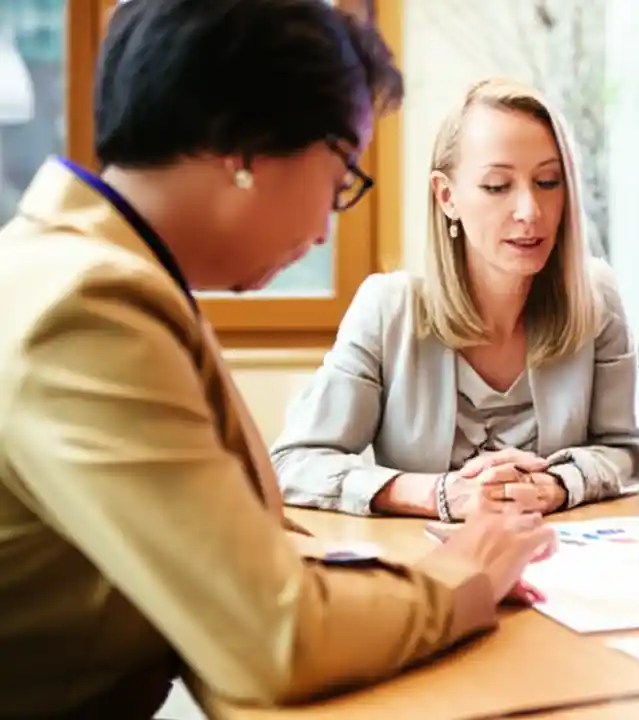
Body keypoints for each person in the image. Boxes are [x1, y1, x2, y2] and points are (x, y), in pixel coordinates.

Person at [0, 3, 555, 717]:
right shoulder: (89, 308)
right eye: (339, 176)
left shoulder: (80, 264)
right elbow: (272, 637)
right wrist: (462, 574)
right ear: (244, 144)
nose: (329, 228)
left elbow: (239, 542)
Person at [271, 78, 639, 521]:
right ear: (446, 196)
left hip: (559, 562)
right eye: (496, 186)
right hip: (426, 568)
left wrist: (556, 485)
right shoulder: (388, 309)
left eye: (548, 182)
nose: (530, 211)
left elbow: (627, 453)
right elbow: (295, 464)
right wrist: (438, 493)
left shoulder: (596, 297)